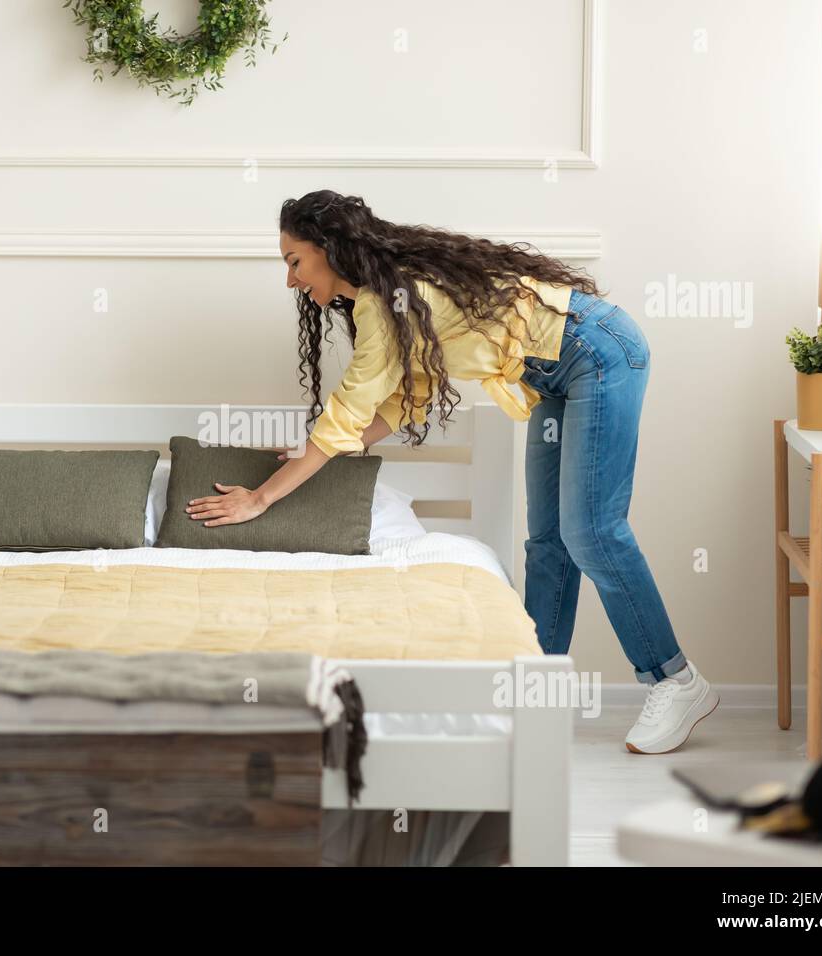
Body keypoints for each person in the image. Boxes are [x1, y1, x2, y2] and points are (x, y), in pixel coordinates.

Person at [185, 189, 719, 754]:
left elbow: (346, 413)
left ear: (327, 249)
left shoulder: (382, 301)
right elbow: (397, 402)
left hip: (596, 351)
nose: (290, 280)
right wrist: (315, 456)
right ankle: (535, 692)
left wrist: (262, 499)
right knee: (547, 543)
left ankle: (675, 679)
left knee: (592, 530)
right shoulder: (387, 300)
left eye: (294, 262)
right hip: (554, 375)